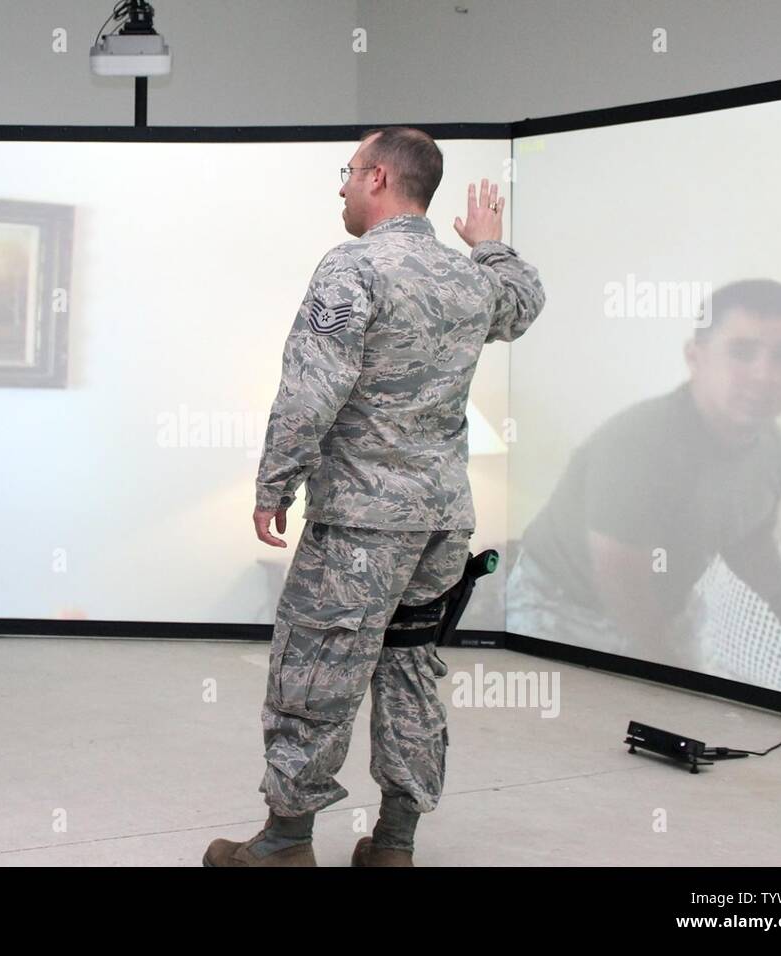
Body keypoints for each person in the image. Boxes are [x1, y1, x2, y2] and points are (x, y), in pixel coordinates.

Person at [203, 127, 546, 867]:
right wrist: (488, 243)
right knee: (411, 669)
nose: (341, 185)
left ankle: (285, 844)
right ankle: (394, 844)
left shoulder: (352, 267)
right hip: (441, 525)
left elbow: (309, 392)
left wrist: (276, 483)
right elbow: (524, 301)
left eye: (348, 171)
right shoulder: (468, 277)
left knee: (315, 671)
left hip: (360, 527)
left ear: (380, 177)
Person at [509, 279, 781, 666]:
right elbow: (619, 573)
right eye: (742, 351)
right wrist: (663, 663)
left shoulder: (776, 452)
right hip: (561, 603)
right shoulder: (641, 440)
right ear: (696, 357)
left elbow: (749, 536)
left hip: (668, 602)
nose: (764, 374)